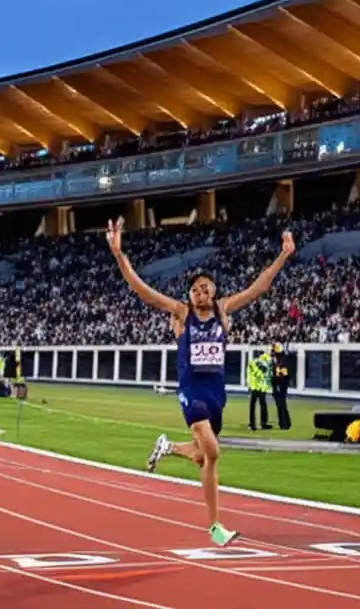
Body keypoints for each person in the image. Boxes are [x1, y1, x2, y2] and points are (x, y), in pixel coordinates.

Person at [106, 217, 294, 547]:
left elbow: (258, 288)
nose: (200, 291)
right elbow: (143, 291)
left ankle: (171, 451)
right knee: (213, 451)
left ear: (215, 290)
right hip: (192, 392)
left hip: (216, 394)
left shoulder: (223, 311)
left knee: (202, 456)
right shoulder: (181, 313)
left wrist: (283, 255)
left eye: (205, 286)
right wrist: (120, 255)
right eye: (194, 289)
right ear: (189, 296)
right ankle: (215, 524)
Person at [246, 348, 273, 431]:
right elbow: (262, 373)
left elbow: (250, 374)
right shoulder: (263, 363)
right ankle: (263, 423)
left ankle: (252, 424)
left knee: (253, 406)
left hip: (254, 386)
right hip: (261, 387)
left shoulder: (252, 362)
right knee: (263, 405)